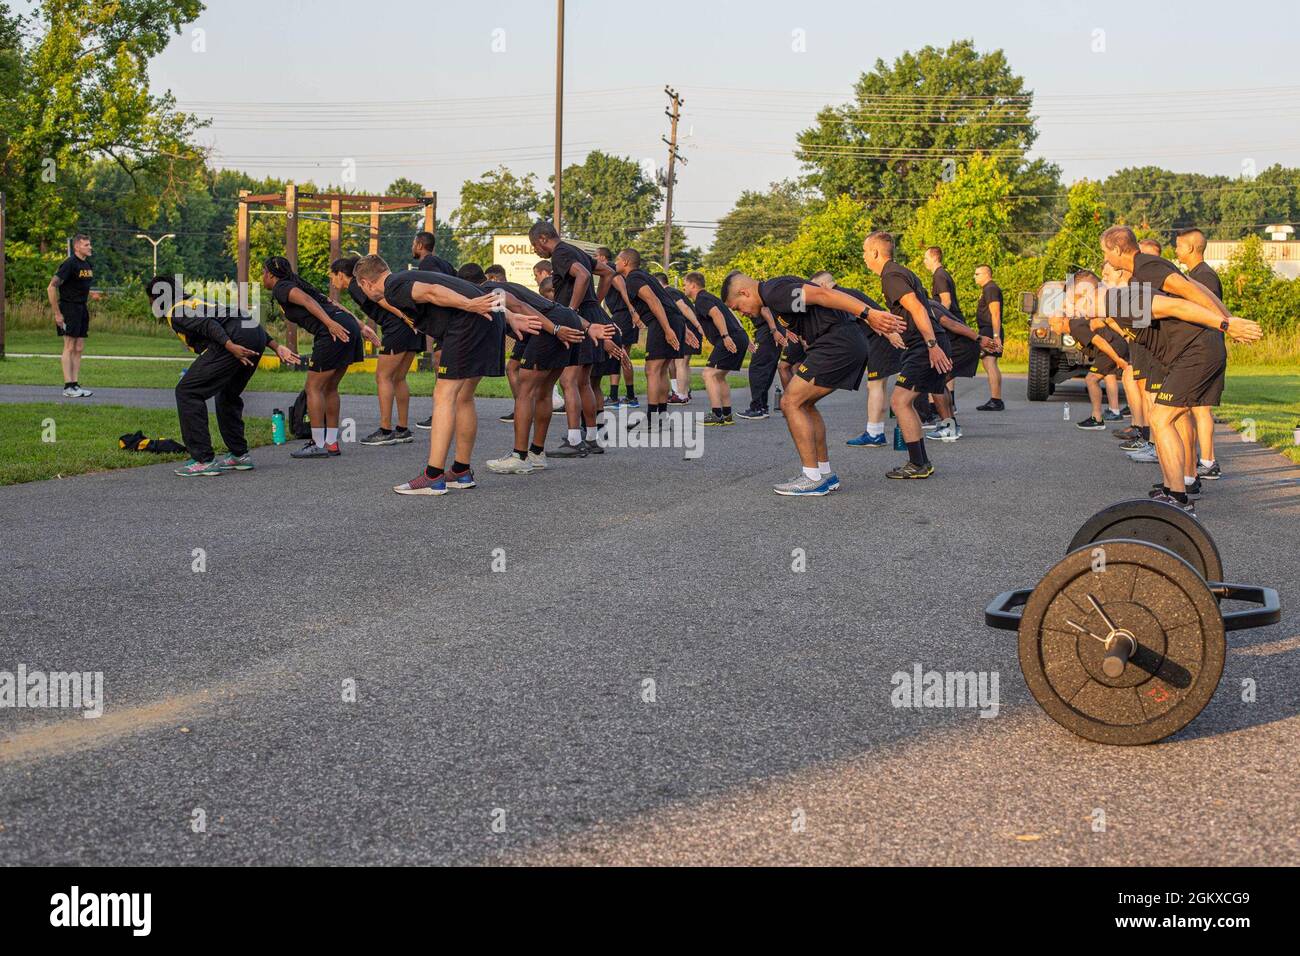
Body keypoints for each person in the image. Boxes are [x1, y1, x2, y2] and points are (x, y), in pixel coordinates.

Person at [1071, 241, 1260, 509]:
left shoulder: (1123, 300)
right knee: (1167, 418)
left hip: (1197, 353)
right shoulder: (1114, 307)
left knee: (1161, 418)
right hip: (1189, 354)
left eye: (1077, 300)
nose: (1075, 309)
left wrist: (1227, 323)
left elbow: (1179, 306)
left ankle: (1179, 498)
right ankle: (1176, 489)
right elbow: (1197, 289)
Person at [353, 254, 538, 495]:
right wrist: (510, 317)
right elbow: (471, 290)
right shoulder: (411, 276)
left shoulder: (393, 286)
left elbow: (431, 292)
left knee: (444, 395)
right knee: (463, 397)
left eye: (360, 288)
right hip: (488, 321)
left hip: (468, 324)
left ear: (366, 283)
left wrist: (470, 306)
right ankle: (461, 471)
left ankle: (433, 476)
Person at [723, 268, 904, 495]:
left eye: (737, 307)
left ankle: (811, 477)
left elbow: (824, 295)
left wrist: (869, 314)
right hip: (840, 342)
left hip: (836, 344)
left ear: (744, 292)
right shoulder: (775, 295)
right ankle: (824, 474)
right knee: (804, 404)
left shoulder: (774, 292)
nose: (743, 313)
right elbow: (816, 304)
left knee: (790, 403)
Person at [147, 275, 301, 476]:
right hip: (253, 334)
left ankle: (204, 460)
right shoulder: (197, 301)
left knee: (187, 391)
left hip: (234, 341)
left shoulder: (177, 310)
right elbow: (240, 317)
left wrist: (230, 347)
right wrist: (275, 346)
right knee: (227, 394)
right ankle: (239, 454)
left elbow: (209, 326)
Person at [458, 263, 588, 474]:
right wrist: (586, 326)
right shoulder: (504, 285)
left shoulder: (488, 291)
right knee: (544, 392)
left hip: (552, 326)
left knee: (525, 393)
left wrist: (554, 330)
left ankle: (520, 456)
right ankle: (537, 454)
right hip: (565, 319)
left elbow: (519, 307)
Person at [262, 256, 379, 459]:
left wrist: (329, 324)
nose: (262, 277)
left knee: (313, 388)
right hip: (346, 326)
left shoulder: (281, 287)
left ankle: (317, 444)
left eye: (263, 272)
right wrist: (361, 326)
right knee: (330, 388)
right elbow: (332, 303)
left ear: (270, 274)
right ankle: (331, 443)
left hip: (333, 331)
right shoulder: (297, 284)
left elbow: (307, 301)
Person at [862, 232, 954, 479]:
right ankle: (921, 462)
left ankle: (918, 464)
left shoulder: (891, 275)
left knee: (900, 401)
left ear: (875, 253)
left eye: (864, 252)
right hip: (923, 344)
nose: (863, 258)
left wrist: (932, 345)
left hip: (925, 345)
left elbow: (916, 307)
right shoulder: (899, 272)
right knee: (905, 402)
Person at [527, 221, 621, 456]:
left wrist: (571, 309)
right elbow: (608, 272)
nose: (535, 251)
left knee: (568, 381)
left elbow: (581, 275)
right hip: (592, 314)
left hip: (577, 317)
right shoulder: (575, 249)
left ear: (542, 239)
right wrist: (595, 302)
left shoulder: (560, 253)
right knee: (583, 381)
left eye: (534, 245)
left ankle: (574, 439)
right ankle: (591, 438)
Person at [330, 256, 420, 446]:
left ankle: (385, 431)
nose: (332, 280)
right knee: (398, 378)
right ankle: (402, 429)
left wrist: (403, 316)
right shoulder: (357, 286)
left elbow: (382, 300)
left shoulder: (356, 284)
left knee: (383, 377)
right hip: (409, 328)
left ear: (340, 273)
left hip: (398, 327)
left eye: (333, 276)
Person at [1175, 227, 1226, 481]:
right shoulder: (1194, 275)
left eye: (1179, 246)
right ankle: (1204, 461)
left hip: (1205, 347)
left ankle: (1207, 461)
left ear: (1192, 248)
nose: (1176, 250)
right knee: (1196, 408)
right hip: (1200, 348)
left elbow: (1208, 313)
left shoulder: (1204, 277)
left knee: (1200, 408)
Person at [614, 248, 682, 430]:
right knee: (660, 370)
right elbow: (665, 299)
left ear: (626, 262)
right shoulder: (645, 276)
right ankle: (661, 418)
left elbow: (654, 301)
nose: (615, 263)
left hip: (663, 322)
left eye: (617, 260)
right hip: (673, 319)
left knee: (652, 370)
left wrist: (667, 329)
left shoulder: (634, 279)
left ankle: (652, 420)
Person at [682, 272, 749, 425]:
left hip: (729, 337)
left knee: (708, 374)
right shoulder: (708, 297)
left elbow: (717, 314)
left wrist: (725, 337)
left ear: (693, 285)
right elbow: (729, 314)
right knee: (719, 377)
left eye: (685, 284)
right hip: (738, 336)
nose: (683, 287)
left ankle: (716, 415)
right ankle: (726, 415)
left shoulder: (702, 298)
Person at [48, 234, 95, 397]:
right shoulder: (69, 264)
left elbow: (79, 286)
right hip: (69, 308)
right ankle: (68, 387)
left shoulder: (87, 264)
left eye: (90, 244)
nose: (90, 247)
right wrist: (57, 314)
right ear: (77, 247)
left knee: (79, 347)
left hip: (82, 308)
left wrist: (93, 294)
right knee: (69, 346)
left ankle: (75, 385)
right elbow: (51, 287)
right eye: (86, 245)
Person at [595, 246, 640, 408]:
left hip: (623, 315)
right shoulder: (610, 271)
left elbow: (622, 287)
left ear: (602, 258)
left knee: (616, 354)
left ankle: (614, 397)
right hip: (625, 315)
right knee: (623, 356)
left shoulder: (611, 269)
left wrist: (631, 309)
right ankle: (630, 396)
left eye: (595, 256)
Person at [653, 272, 704, 403]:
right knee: (684, 363)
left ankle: (681, 395)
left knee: (680, 363)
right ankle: (685, 392)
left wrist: (697, 325)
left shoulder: (669, 291)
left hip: (688, 329)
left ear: (658, 283)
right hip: (688, 328)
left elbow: (684, 308)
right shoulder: (671, 292)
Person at [736, 302, 786, 420]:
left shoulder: (756, 297)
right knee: (766, 369)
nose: (742, 314)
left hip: (769, 331)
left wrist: (773, 331)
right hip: (771, 331)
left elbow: (765, 309)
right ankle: (762, 407)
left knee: (757, 369)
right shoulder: (761, 295)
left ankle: (757, 408)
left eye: (741, 309)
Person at [972, 265, 1005, 411]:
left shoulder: (990, 288)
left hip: (990, 330)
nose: (975, 276)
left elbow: (995, 313)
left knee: (989, 363)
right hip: (988, 329)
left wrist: (996, 336)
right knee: (990, 364)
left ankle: (996, 400)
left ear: (986, 274)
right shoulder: (988, 289)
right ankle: (996, 399)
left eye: (977, 274)